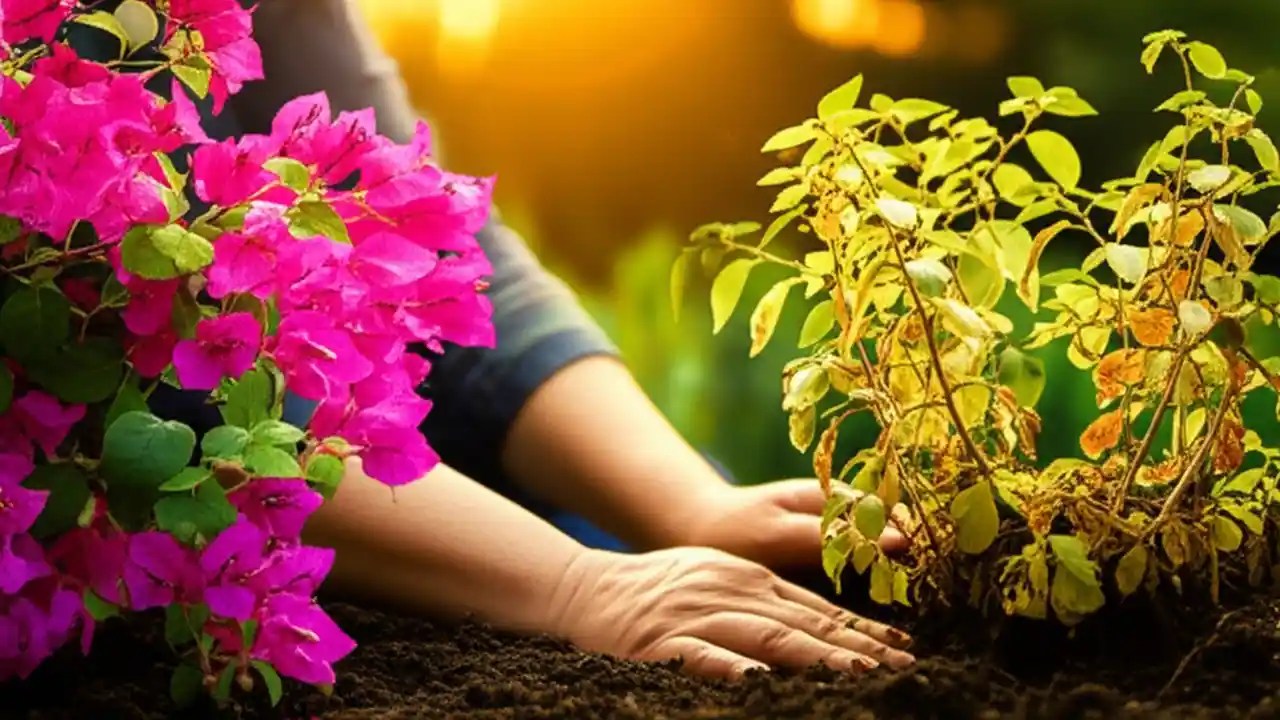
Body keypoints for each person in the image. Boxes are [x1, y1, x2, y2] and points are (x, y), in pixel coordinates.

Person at [192, 0, 916, 680]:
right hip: (227, 531)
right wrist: (579, 587)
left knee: (709, 571)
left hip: (357, 465)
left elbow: (441, 251)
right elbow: (170, 404)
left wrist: (691, 507)